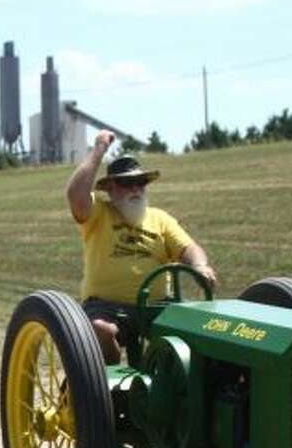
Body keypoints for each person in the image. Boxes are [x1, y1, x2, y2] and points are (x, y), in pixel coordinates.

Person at [66, 130, 217, 363]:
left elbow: (189, 248)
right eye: (127, 183)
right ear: (111, 189)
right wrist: (99, 149)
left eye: (140, 182)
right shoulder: (99, 213)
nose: (136, 189)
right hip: (106, 308)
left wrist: (200, 266)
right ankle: (108, 390)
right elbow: (76, 195)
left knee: (207, 331)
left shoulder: (160, 218)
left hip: (158, 308)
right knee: (100, 330)